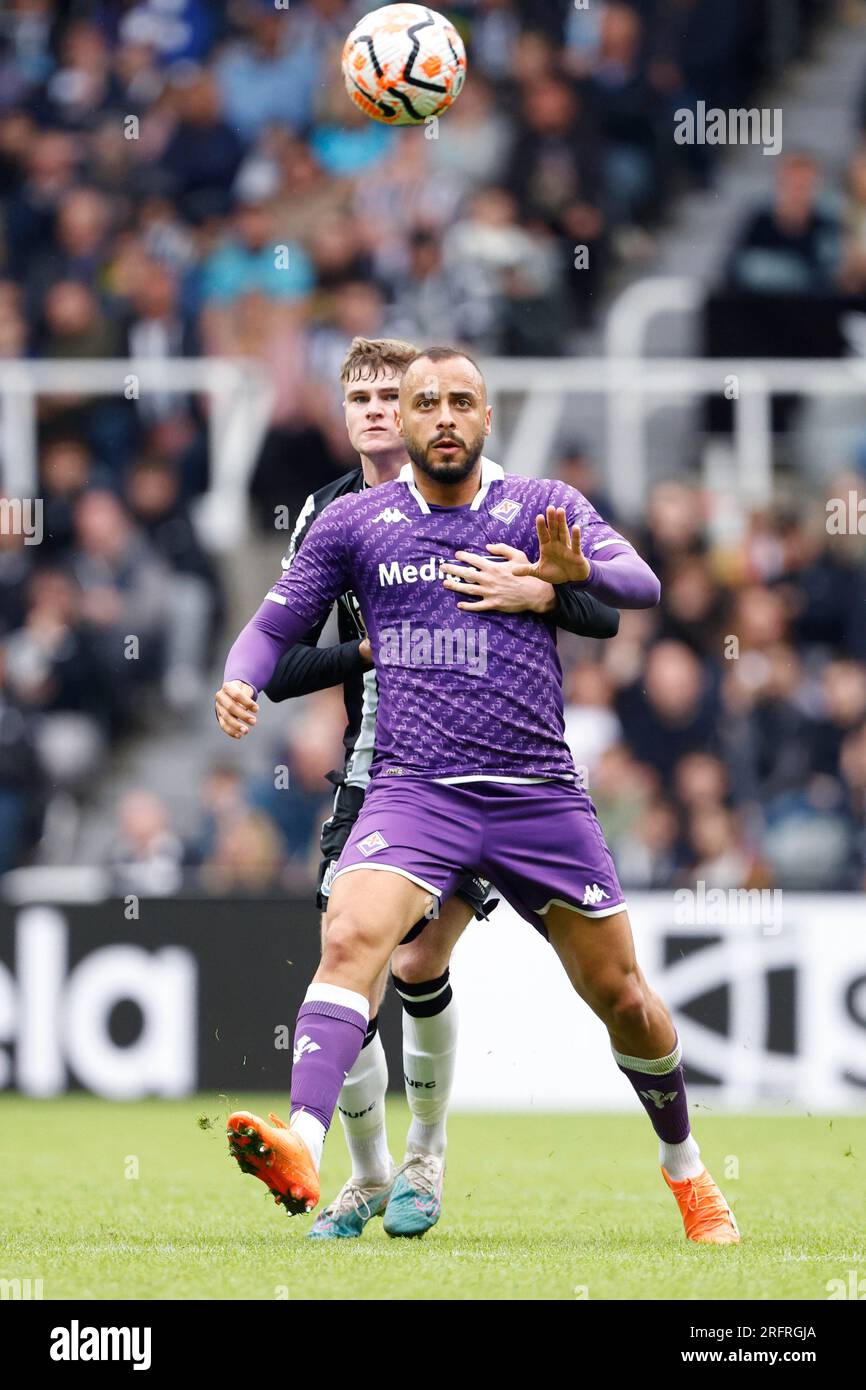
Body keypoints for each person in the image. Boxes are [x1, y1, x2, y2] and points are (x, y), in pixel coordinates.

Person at [216, 346, 739, 1247]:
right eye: (427, 403)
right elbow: (272, 626)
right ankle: (303, 1143)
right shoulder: (354, 523)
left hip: (538, 794)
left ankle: (688, 1172)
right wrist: (239, 679)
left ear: (486, 417)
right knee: (350, 940)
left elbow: (640, 584)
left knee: (623, 996)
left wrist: (554, 578)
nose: (443, 416)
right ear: (406, 423)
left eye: (462, 400)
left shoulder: (542, 504)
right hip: (414, 789)